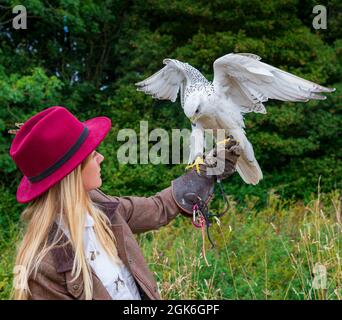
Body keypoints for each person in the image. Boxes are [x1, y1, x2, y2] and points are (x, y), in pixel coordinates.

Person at [9, 106, 241, 300]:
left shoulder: (98, 206)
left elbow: (156, 208)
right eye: (92, 154)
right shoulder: (42, 267)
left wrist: (205, 173)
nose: (101, 157)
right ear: (70, 173)